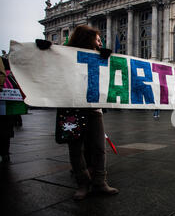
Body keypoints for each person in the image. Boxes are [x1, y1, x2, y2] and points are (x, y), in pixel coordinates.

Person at [36, 25, 119, 200]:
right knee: (75, 148)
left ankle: (100, 182)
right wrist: (43, 51)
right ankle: (83, 183)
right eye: (97, 39)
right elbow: (48, 67)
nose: (101, 42)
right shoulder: (66, 55)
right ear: (86, 38)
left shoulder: (99, 56)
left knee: (99, 147)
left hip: (93, 108)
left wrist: (109, 60)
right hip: (71, 108)